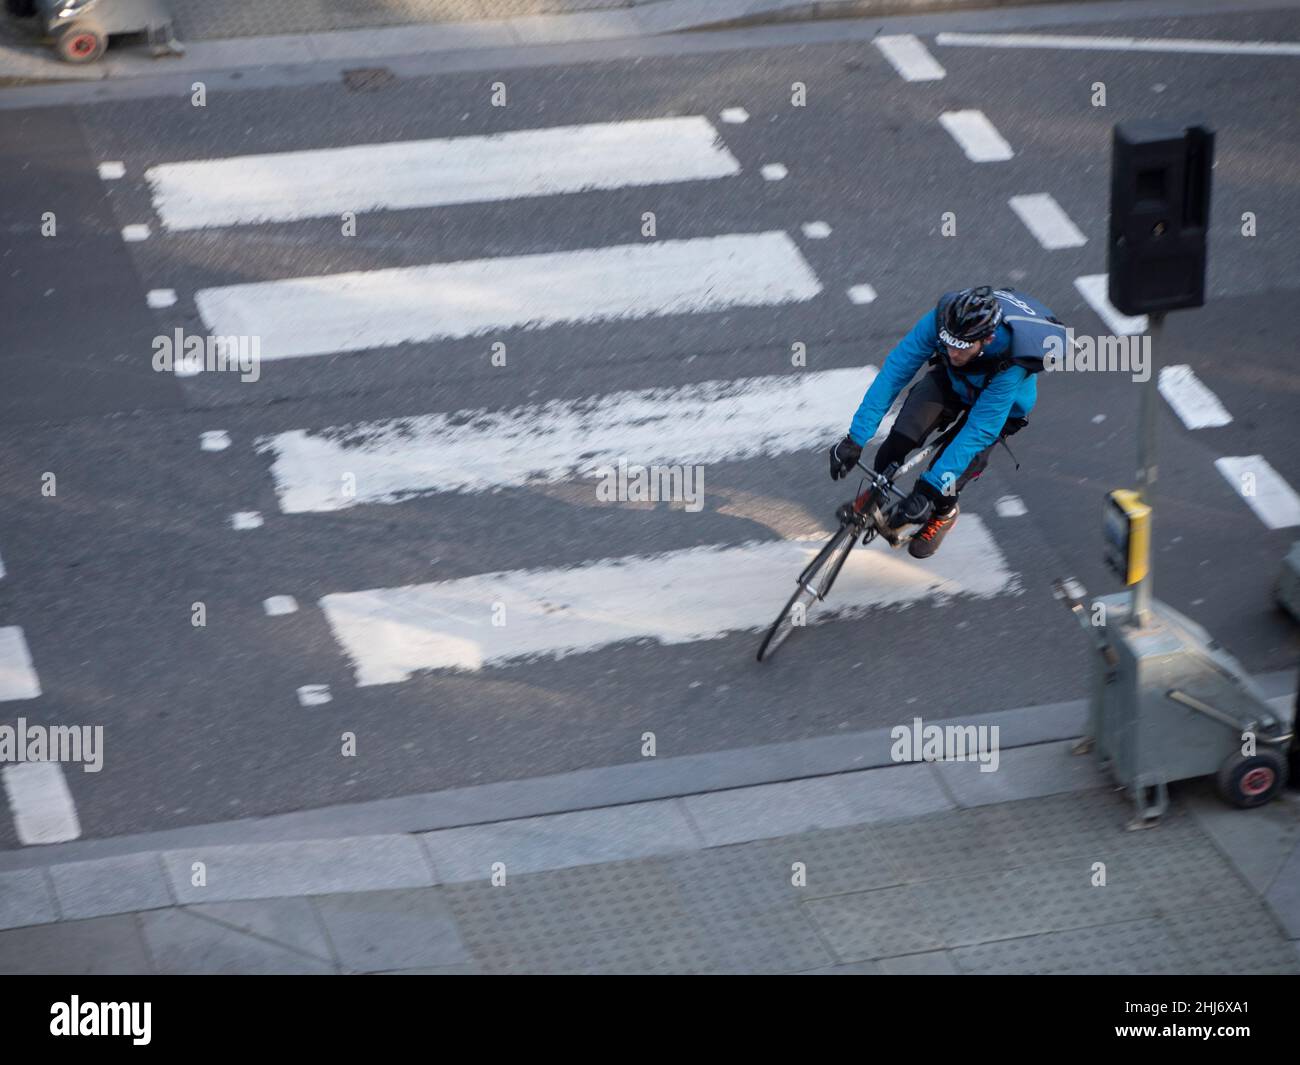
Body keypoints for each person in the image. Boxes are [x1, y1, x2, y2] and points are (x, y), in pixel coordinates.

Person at [828, 286, 1067, 558]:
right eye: (949, 342)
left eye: (962, 346)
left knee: (948, 481)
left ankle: (945, 514)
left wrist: (929, 490)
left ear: (987, 340)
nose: (952, 351)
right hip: (953, 382)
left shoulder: (1011, 361)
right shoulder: (939, 321)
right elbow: (895, 371)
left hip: (998, 413)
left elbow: (979, 429)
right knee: (896, 444)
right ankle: (874, 499)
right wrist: (855, 437)